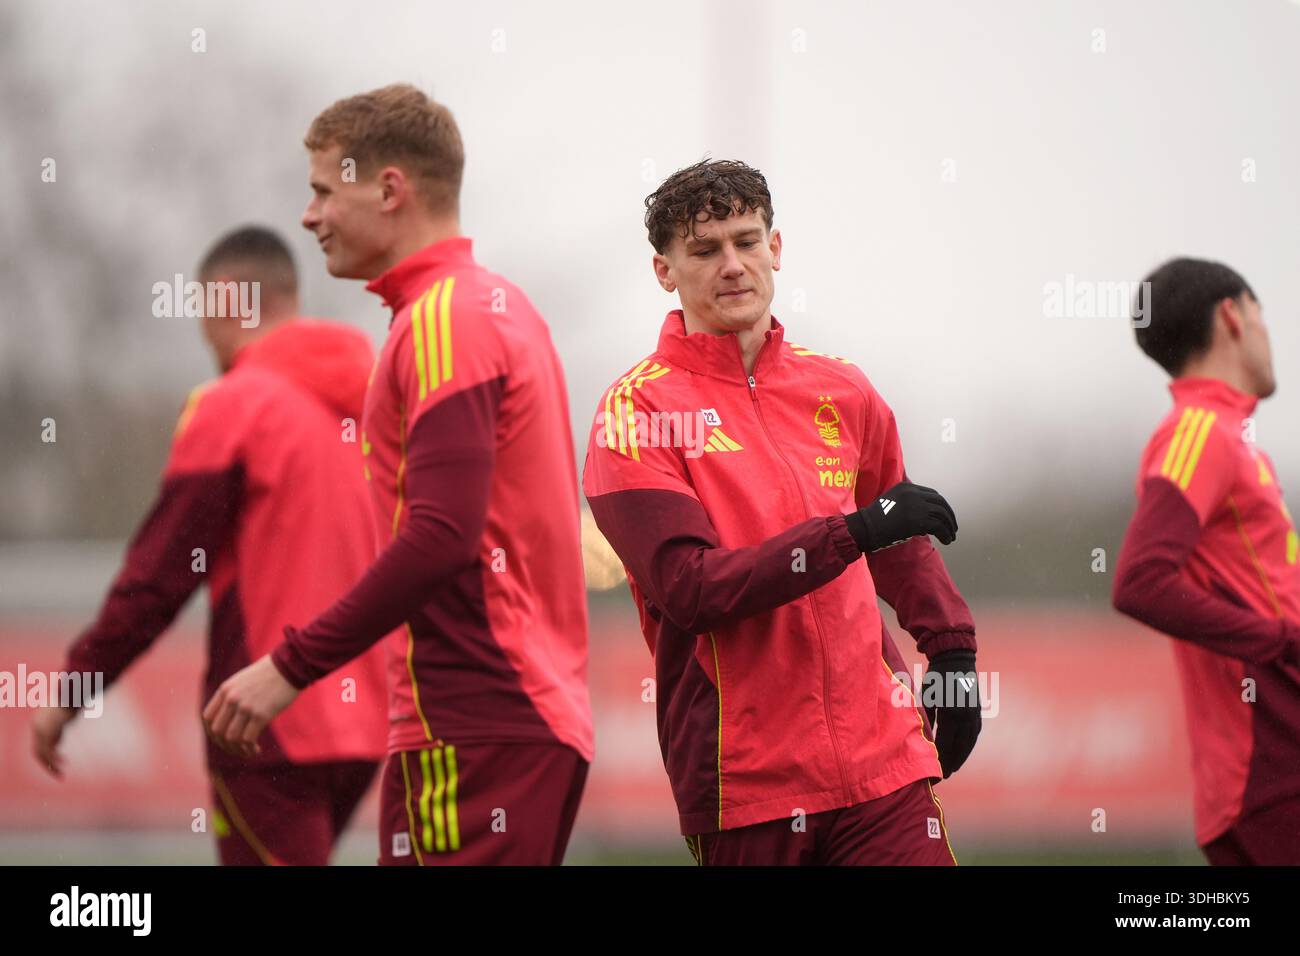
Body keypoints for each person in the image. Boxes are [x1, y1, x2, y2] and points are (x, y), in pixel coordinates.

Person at [203, 85, 593, 866]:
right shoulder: (492, 306)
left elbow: (443, 537)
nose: (308, 216)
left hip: (477, 721)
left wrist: (289, 667)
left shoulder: (447, 317)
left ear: (389, 189)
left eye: (322, 191)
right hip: (497, 724)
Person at [582, 159, 979, 865]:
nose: (731, 265)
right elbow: (690, 589)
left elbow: (899, 538)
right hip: (748, 783)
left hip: (884, 765)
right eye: (704, 250)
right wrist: (852, 532)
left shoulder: (843, 388)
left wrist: (951, 648)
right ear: (663, 271)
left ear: (776, 248)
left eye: (746, 240)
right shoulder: (637, 410)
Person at [32, 225, 388, 865]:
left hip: (260, 720)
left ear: (227, 298)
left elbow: (158, 578)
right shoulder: (369, 409)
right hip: (363, 718)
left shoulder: (233, 407)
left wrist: (74, 686)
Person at [1113, 257, 1300, 865]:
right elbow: (1140, 581)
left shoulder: (1230, 437)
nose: (1270, 334)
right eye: (1261, 313)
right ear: (1232, 316)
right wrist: (1275, 641)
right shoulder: (1199, 428)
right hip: (1271, 762)